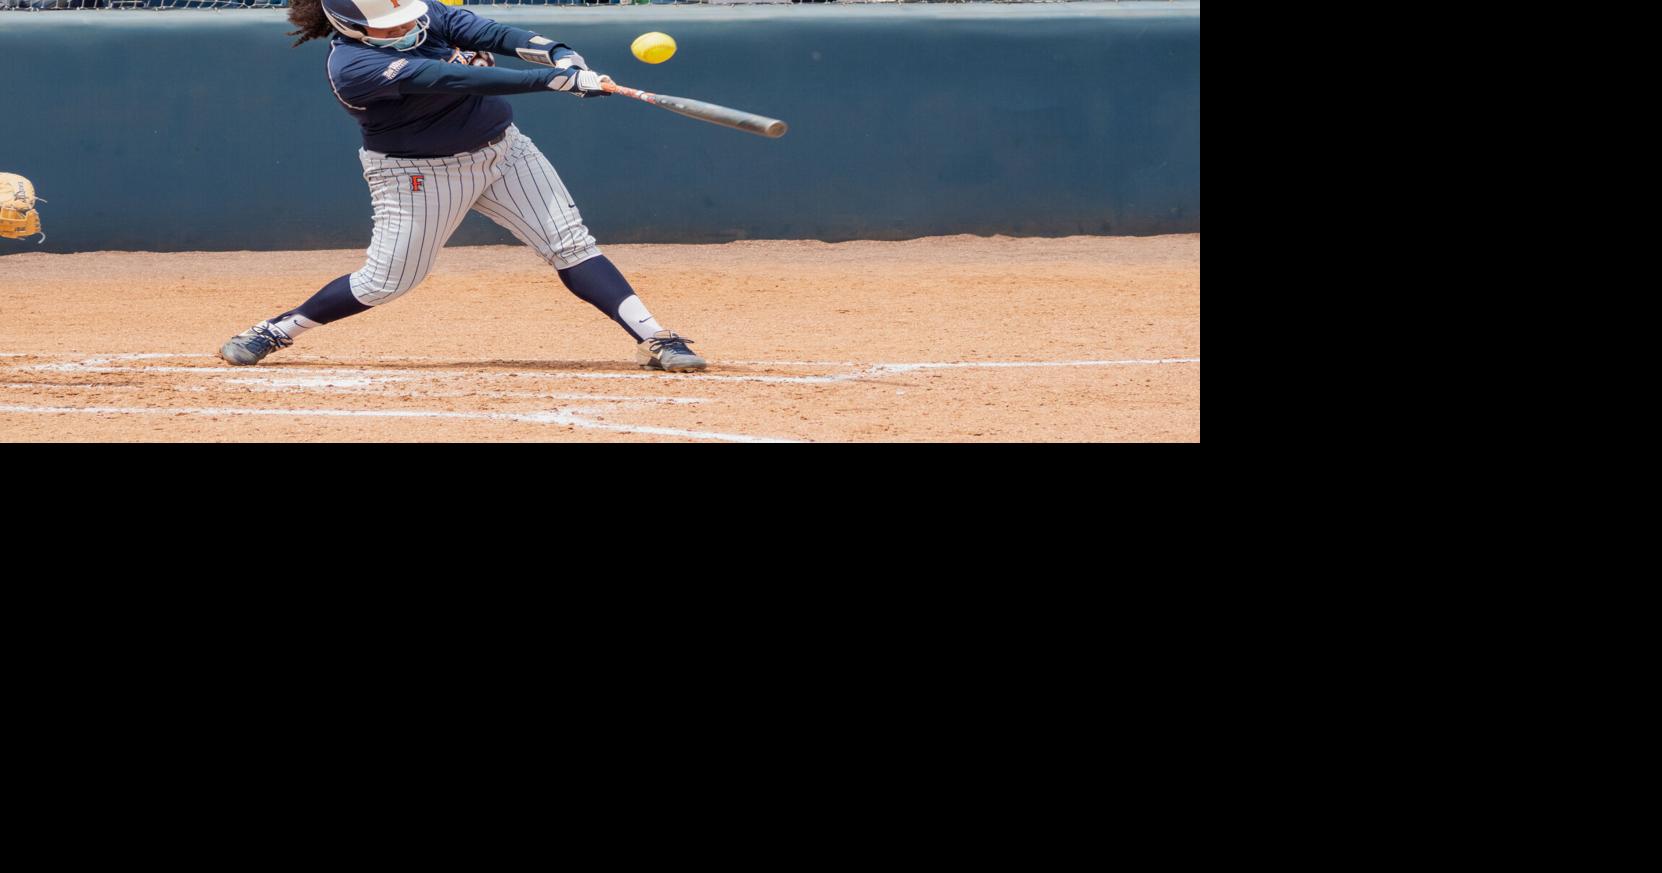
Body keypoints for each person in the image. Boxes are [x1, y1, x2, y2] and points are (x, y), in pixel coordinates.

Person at [217, 0, 706, 372]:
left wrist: (558, 54)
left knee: (570, 243)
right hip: (418, 173)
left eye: (406, 17)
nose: (405, 27)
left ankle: (655, 337)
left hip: (504, 149)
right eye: (389, 26)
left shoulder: (425, 13)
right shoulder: (355, 68)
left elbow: (492, 33)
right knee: (386, 282)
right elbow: (451, 79)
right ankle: (279, 328)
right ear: (351, 27)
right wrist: (554, 82)